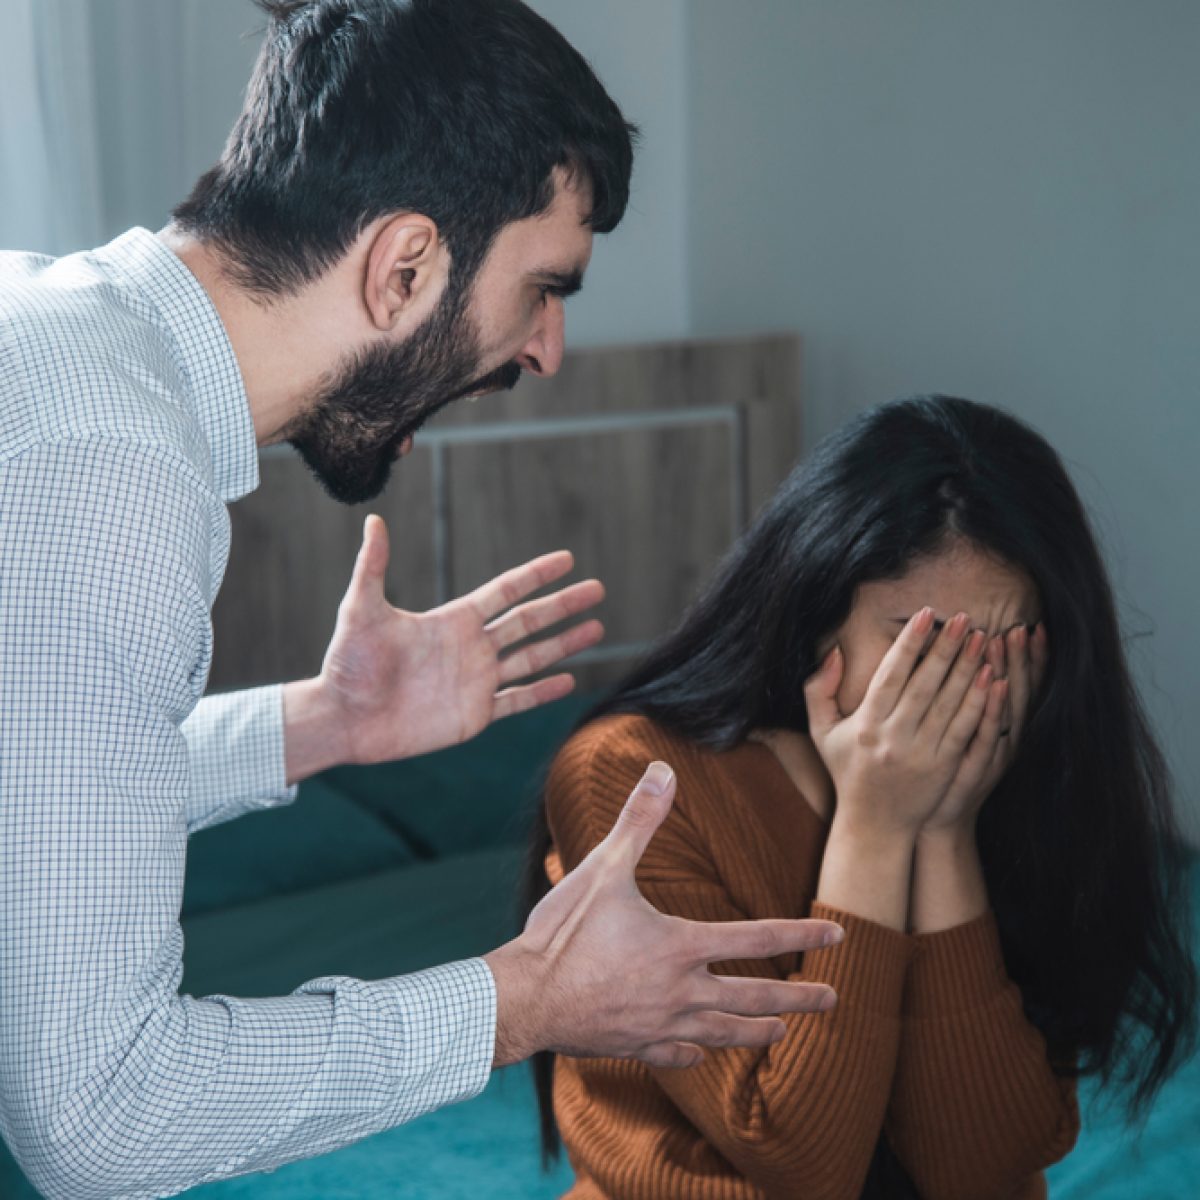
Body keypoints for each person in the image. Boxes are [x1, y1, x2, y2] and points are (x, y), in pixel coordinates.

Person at [0, 2, 844, 1197]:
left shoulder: (51, 334)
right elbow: (101, 1119)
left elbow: (39, 806)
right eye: (542, 288)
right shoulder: (109, 466)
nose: (545, 350)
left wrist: (320, 724)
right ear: (404, 267)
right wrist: (525, 1000)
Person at [527, 395, 1198, 1199]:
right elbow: (802, 1161)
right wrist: (875, 826)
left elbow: (985, 1170)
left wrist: (945, 832)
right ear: (818, 609)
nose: (944, 687)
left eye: (985, 645)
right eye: (913, 636)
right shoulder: (629, 779)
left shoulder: (1025, 772)